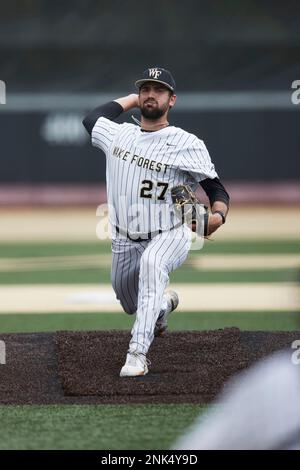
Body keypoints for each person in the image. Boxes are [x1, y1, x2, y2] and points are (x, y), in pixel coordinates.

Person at [82, 67, 230, 377]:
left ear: (171, 100)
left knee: (152, 264)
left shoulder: (186, 142)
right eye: (146, 89)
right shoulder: (119, 134)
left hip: (169, 232)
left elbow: (216, 188)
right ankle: (161, 307)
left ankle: (137, 355)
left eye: (159, 90)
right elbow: (91, 119)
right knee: (130, 304)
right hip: (123, 238)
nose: (151, 94)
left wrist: (217, 216)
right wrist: (133, 100)